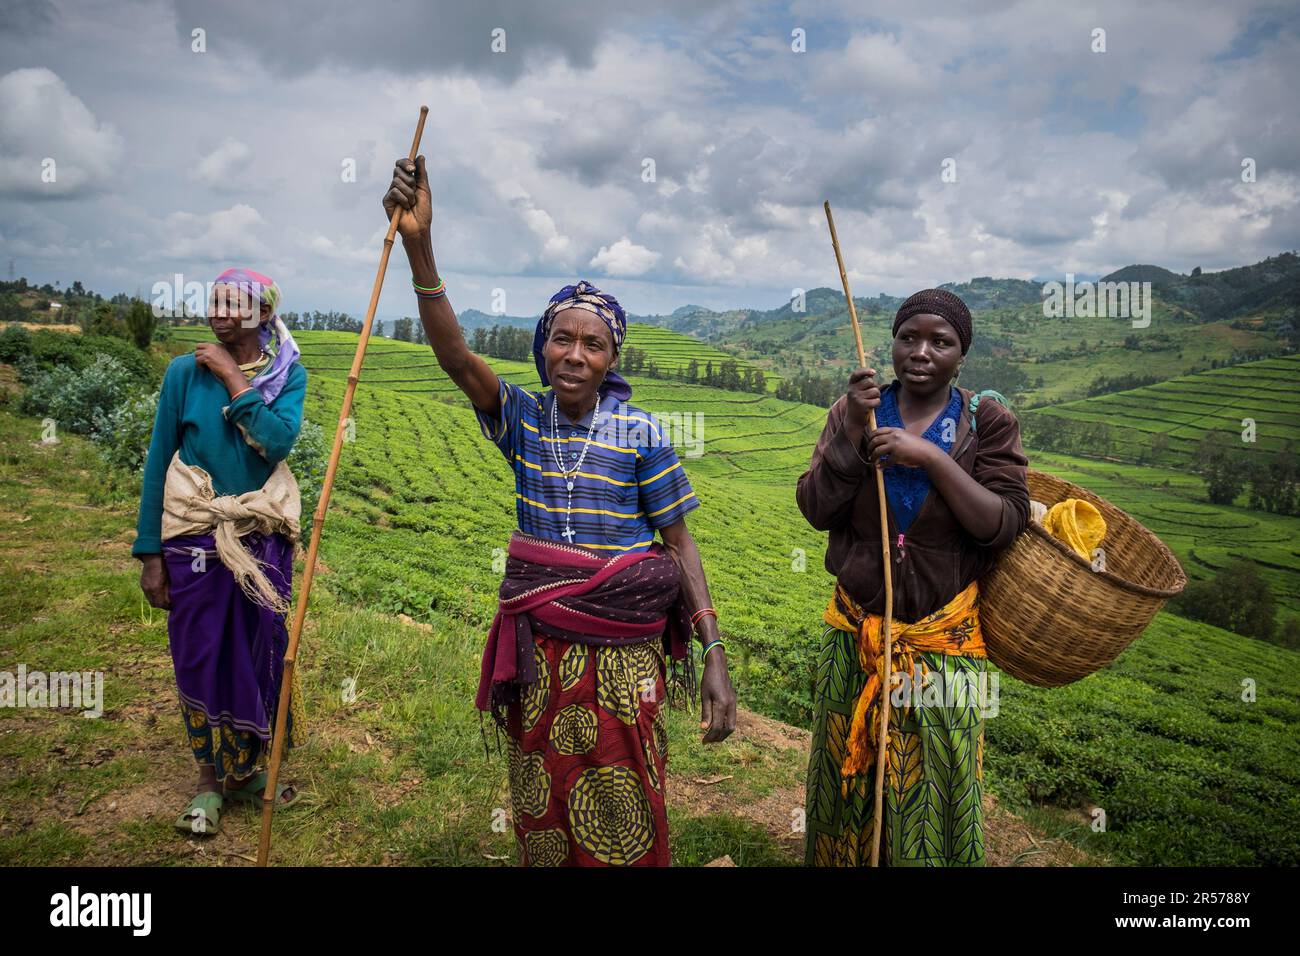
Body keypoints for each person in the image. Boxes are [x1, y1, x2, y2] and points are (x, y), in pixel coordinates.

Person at [384, 155, 736, 866]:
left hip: (624, 651)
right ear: (542, 348)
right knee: (543, 785)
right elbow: (455, 357)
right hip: (542, 650)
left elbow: (679, 546)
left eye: (593, 343)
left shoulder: (641, 436)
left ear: (612, 358)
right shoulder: (520, 419)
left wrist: (712, 651)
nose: (575, 353)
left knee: (628, 781)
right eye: (562, 338)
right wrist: (420, 246)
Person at [795, 288, 1029, 866]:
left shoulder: (985, 421)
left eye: (940, 342)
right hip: (857, 638)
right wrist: (853, 431)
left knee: (931, 793)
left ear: (961, 354)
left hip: (940, 647)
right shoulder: (858, 409)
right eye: (909, 338)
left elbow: (1003, 523)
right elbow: (816, 508)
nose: (921, 352)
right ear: (891, 344)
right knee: (844, 786)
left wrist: (930, 458)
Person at [134, 268, 308, 834]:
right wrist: (150, 553)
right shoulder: (184, 373)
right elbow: (160, 460)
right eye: (214, 301)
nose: (220, 311)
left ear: (263, 312)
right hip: (193, 540)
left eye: (235, 303)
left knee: (260, 650)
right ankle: (208, 781)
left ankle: (246, 773)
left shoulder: (287, 377)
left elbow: (277, 442)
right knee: (203, 652)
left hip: (260, 541)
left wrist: (235, 378)